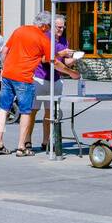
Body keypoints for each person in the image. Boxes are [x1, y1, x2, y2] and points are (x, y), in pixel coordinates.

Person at [0, 12, 73, 157]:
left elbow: (4, 51)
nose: (49, 29)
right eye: (49, 26)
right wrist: (70, 72)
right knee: (26, 112)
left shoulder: (20, 30)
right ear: (43, 25)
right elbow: (53, 62)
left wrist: (4, 67)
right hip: (24, 77)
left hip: (7, 75)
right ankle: (21, 147)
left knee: (4, 109)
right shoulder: (43, 39)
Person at [33, 14, 76, 150]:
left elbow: (64, 63)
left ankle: (46, 142)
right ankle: (27, 140)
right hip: (40, 78)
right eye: (58, 27)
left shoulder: (63, 40)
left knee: (50, 113)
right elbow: (44, 59)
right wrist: (61, 54)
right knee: (32, 111)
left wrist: (75, 58)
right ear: (52, 26)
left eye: (63, 27)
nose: (61, 29)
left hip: (56, 80)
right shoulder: (45, 37)